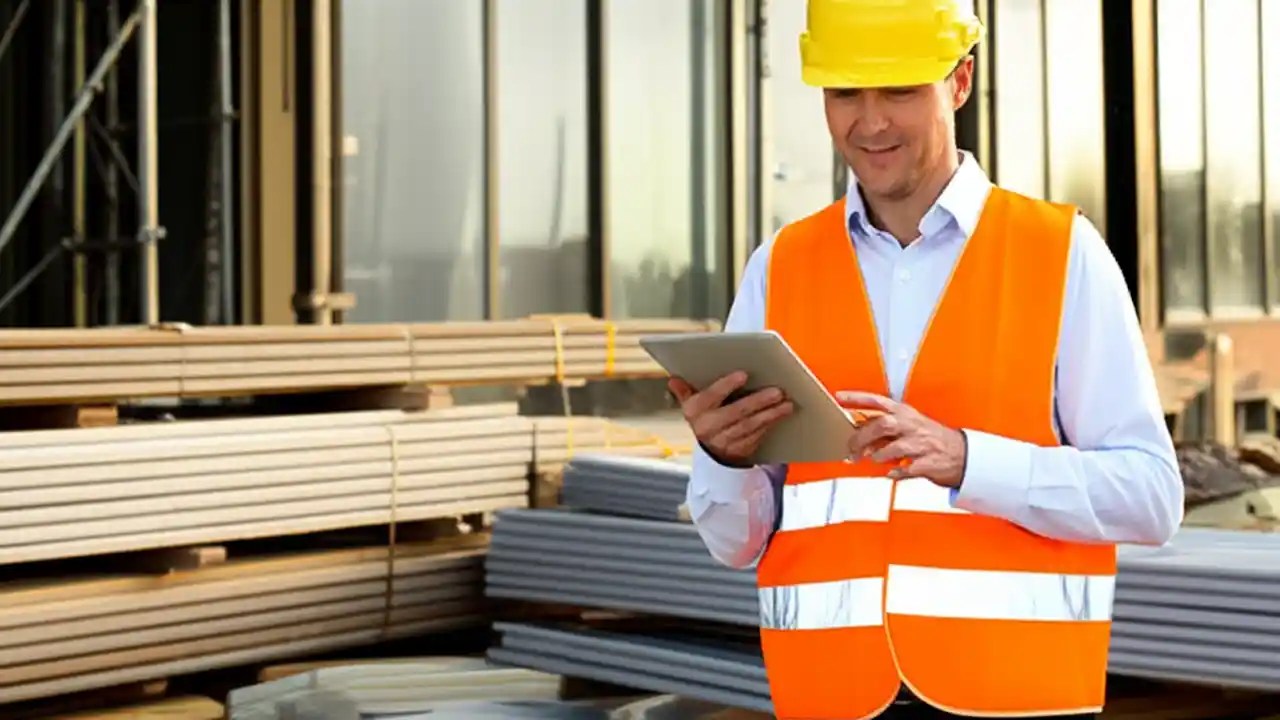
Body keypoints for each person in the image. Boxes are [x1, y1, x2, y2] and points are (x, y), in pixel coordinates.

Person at [667, 1, 1184, 718]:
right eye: (846, 92)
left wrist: (968, 460)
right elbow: (734, 543)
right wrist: (723, 459)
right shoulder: (779, 267)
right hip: (831, 699)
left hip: (1014, 701)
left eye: (900, 90)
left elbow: (1152, 497)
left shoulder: (1061, 254)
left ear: (960, 81)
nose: (870, 122)